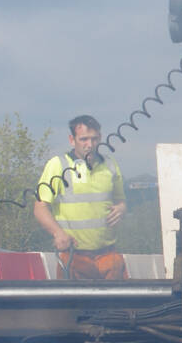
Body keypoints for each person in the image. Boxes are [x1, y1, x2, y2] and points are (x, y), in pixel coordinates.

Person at [34, 116, 127, 280]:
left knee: (116, 305)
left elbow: (121, 201)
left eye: (94, 139)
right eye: (83, 139)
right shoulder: (58, 165)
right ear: (72, 140)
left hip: (108, 256)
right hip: (73, 256)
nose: (89, 145)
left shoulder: (110, 165)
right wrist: (58, 233)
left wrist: (121, 208)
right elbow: (40, 207)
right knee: (73, 305)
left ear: (100, 138)